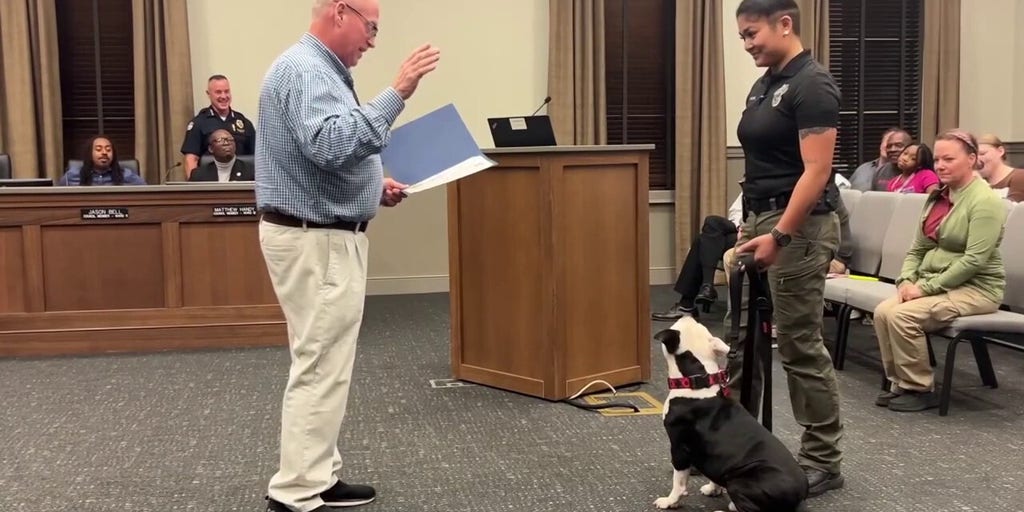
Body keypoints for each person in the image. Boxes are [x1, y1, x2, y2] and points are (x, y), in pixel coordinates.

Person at [255, 1, 439, 511]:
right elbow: (334, 144)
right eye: (371, 27)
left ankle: (317, 474)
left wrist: (370, 186)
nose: (373, 41)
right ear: (341, 12)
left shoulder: (314, 69)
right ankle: (294, 493)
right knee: (320, 367)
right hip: (317, 241)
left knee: (323, 362)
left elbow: (313, 155)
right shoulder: (306, 70)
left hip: (319, 233)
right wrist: (397, 91)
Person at [728, 0, 844, 497]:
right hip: (759, 213)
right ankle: (737, 441)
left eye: (752, 33)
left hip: (798, 225)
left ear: (785, 24)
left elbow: (816, 172)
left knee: (797, 343)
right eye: (742, 37)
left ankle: (823, 458)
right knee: (745, 342)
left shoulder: (811, 83)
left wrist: (780, 235)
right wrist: (750, 223)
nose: (748, 44)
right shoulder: (765, 84)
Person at [873, 130, 1006, 412]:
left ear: (971, 159)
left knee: (903, 316)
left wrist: (923, 289)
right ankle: (901, 383)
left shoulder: (985, 201)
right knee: (884, 311)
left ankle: (920, 388)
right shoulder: (938, 197)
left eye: (949, 159)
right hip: (936, 282)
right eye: (937, 159)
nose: (940, 165)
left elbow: (974, 261)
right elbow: (917, 249)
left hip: (977, 288)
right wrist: (906, 280)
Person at [180, 75, 256, 178]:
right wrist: (195, 188)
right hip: (210, 182)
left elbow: (257, 157)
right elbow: (191, 159)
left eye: (227, 91)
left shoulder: (243, 122)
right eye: (218, 92)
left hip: (241, 181)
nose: (224, 96)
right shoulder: (199, 123)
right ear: (208, 94)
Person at [58, 136, 146, 186]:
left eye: (108, 150)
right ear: (89, 153)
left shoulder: (127, 175)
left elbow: (147, 195)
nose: (104, 153)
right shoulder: (71, 177)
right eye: (98, 149)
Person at [188, 129, 254, 182]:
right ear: (211, 149)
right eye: (220, 140)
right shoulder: (198, 174)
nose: (226, 143)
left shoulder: (251, 171)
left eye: (230, 140)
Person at [977, 133, 1024, 202]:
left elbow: (1010, 209)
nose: (978, 159)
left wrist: (982, 185)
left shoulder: (1019, 176)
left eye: (982, 154)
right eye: (974, 156)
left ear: (1000, 151)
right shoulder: (976, 181)